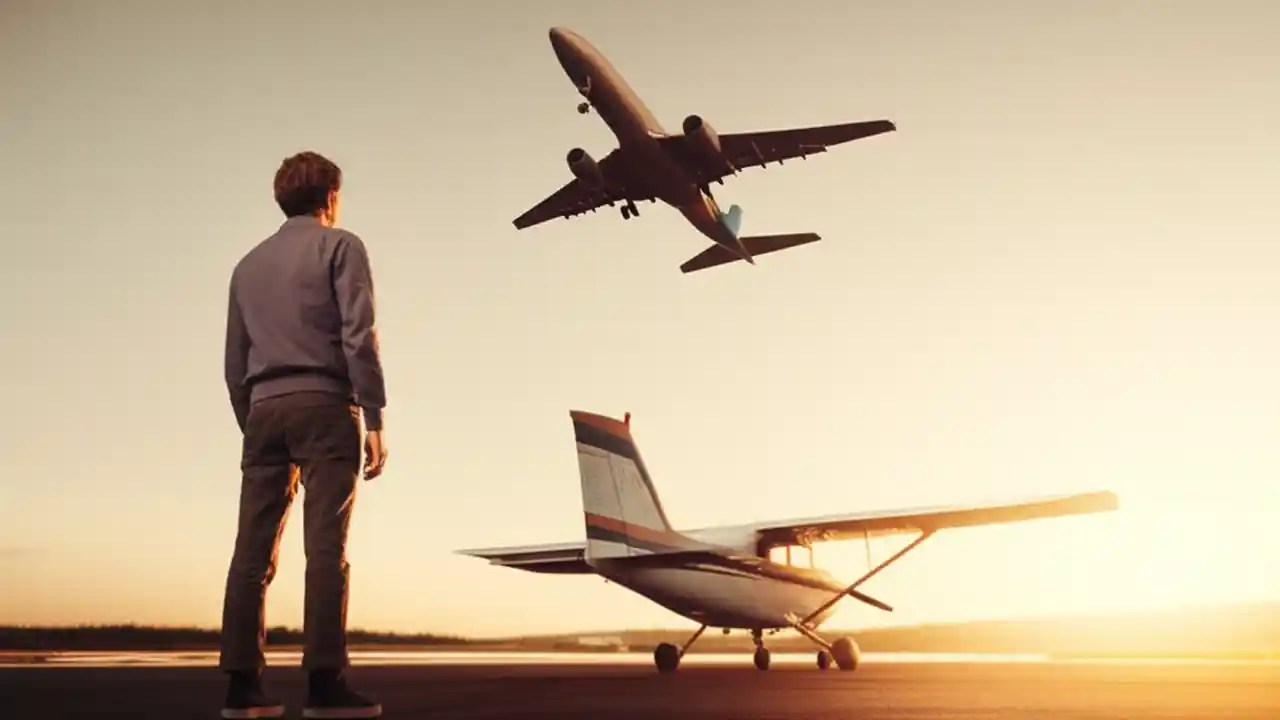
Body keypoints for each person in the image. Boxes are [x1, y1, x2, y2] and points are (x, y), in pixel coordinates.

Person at [219, 151, 388, 719]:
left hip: (263, 408)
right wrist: (375, 414)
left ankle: (242, 686)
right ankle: (324, 683)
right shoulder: (341, 246)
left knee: (251, 552)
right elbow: (358, 336)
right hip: (325, 402)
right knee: (325, 550)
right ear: (331, 197)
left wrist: (255, 418)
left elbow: (233, 359)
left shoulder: (246, 266)